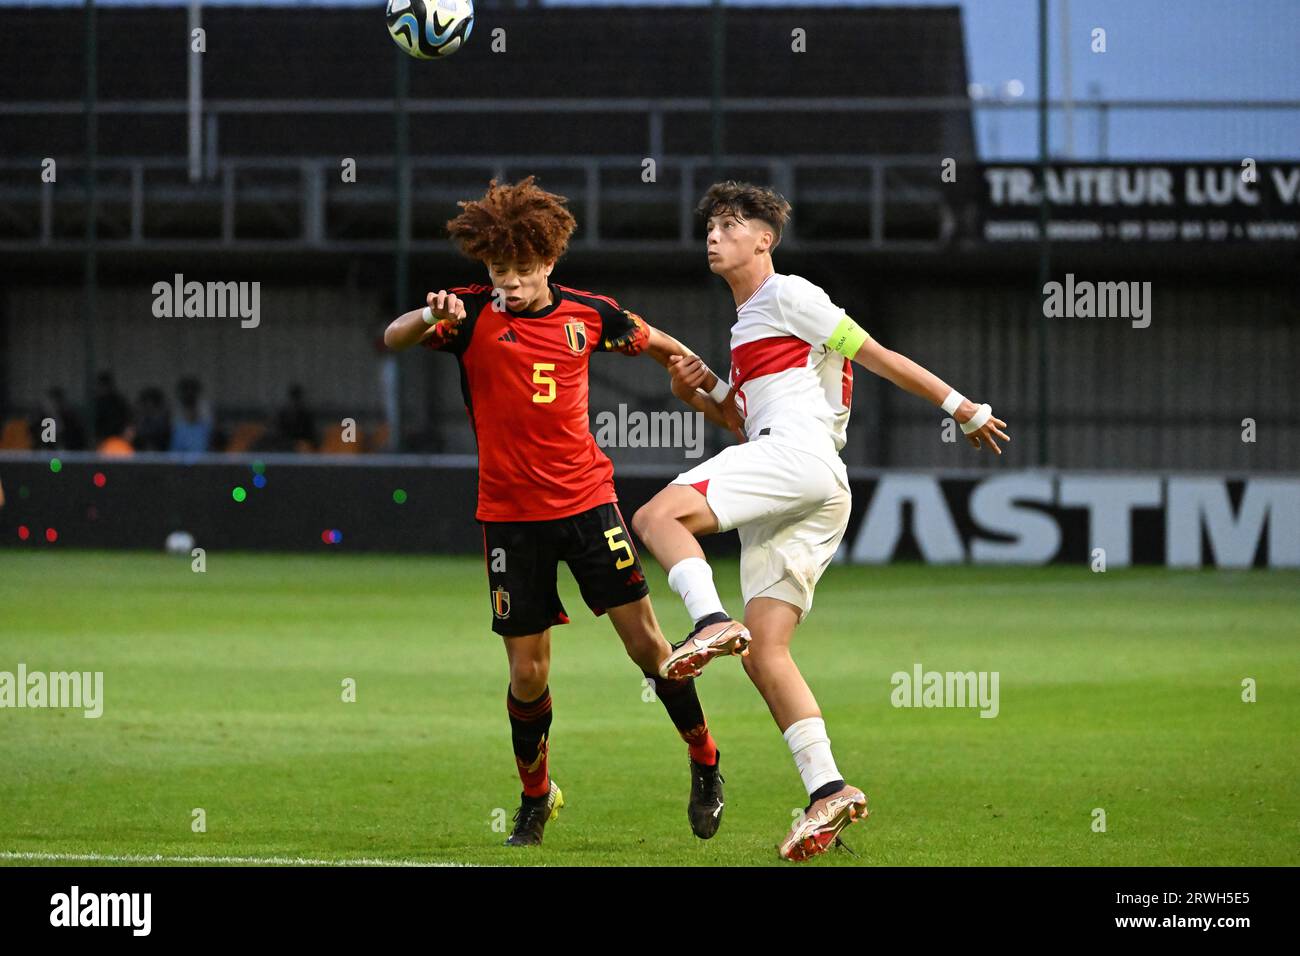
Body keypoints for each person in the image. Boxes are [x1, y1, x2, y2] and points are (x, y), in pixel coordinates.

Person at [632, 181, 1011, 861]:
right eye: (710, 226)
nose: (713, 236)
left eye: (729, 224)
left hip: (797, 460)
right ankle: (827, 789)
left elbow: (878, 357)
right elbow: (744, 419)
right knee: (768, 653)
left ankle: (710, 620)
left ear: (763, 239)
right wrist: (700, 392)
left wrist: (963, 406)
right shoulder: (751, 321)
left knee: (657, 515)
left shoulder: (789, 294)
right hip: (813, 485)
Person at [383, 177, 747, 848]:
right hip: (508, 517)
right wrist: (428, 319)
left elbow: (663, 344)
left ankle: (705, 762)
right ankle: (535, 798)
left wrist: (694, 381)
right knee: (527, 673)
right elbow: (393, 334)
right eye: (499, 272)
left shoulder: (590, 315)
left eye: (523, 271)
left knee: (649, 649)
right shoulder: (466, 315)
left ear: (549, 262)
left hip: (587, 507)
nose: (511, 285)